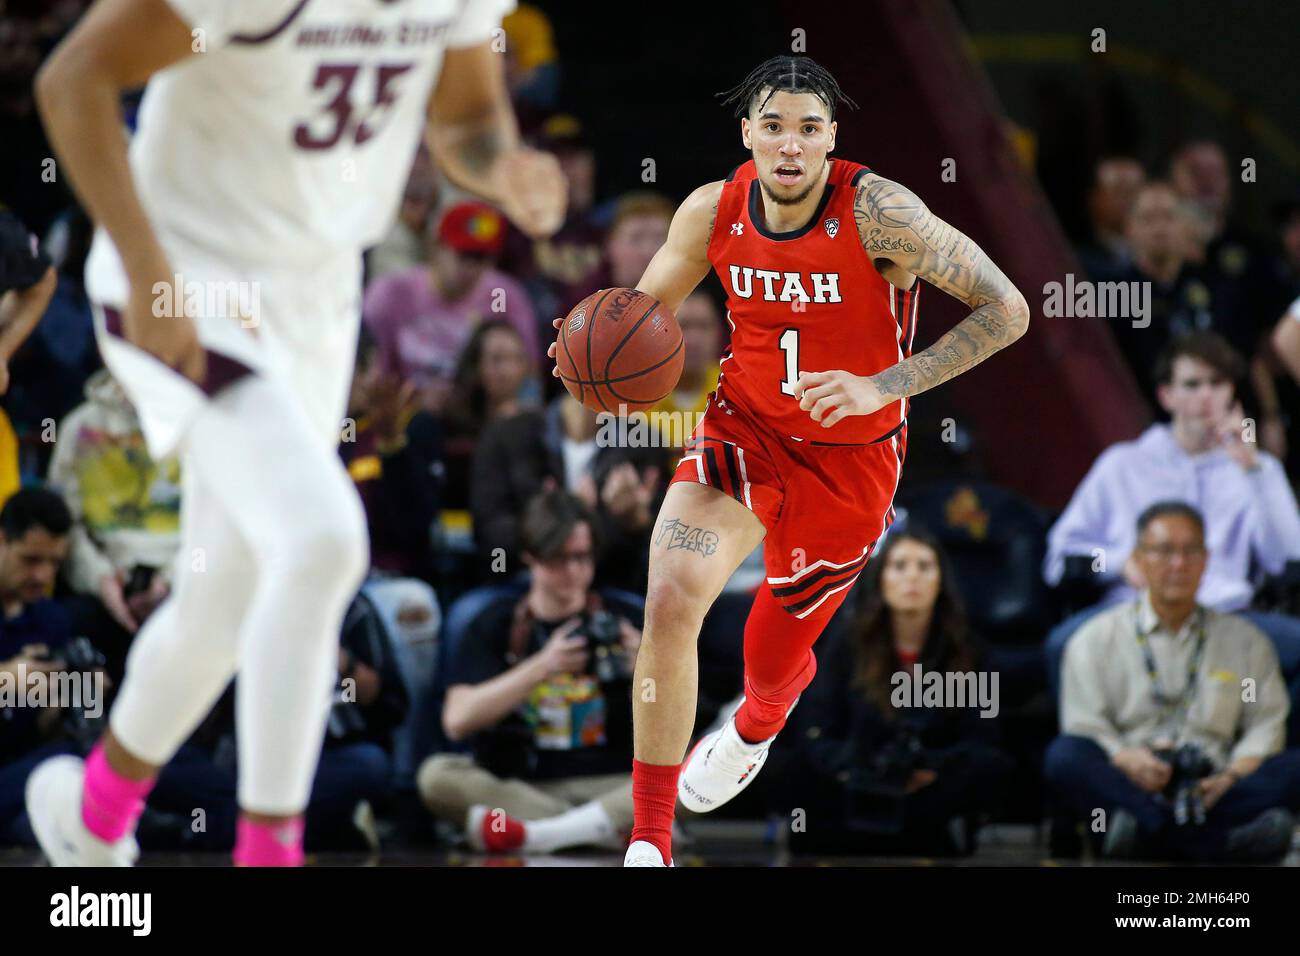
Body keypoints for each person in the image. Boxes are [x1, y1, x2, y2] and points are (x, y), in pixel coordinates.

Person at [28, 0, 565, 868]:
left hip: (315, 293)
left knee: (222, 599)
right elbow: (73, 77)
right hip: (187, 278)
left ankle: (90, 817)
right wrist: (144, 265)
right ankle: (268, 854)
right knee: (320, 543)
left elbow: (465, 119)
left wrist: (504, 170)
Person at [544, 55, 1031, 867]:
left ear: (832, 138)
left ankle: (758, 723)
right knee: (669, 602)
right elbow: (638, 320)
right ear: (748, 134)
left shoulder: (882, 213)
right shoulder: (712, 210)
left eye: (809, 128)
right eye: (774, 126)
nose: (791, 145)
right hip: (746, 434)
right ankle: (650, 841)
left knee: (771, 661)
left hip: (851, 461)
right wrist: (588, 362)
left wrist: (887, 383)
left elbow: (1009, 309)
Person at [1046, 502, 1300, 862]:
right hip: (1132, 781)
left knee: (1292, 766)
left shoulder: (1245, 640)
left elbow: (1266, 724)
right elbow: (1084, 722)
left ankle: (1149, 839)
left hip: (1216, 787)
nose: (1178, 564)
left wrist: (1229, 775)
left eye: (1190, 551)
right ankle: (1216, 845)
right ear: (1138, 558)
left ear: (1206, 560)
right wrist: (1124, 758)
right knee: (1066, 756)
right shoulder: (1094, 638)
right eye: (1164, 551)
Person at [417, 490, 650, 854]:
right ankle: (595, 829)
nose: (573, 572)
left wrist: (649, 671)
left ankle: (541, 834)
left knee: (689, 774)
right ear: (531, 558)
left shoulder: (626, 618)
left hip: (608, 780)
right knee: (436, 775)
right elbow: (457, 720)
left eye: (583, 558)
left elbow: (686, 722)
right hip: (525, 785)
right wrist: (541, 666)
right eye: (559, 559)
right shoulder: (495, 622)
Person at [771, 530, 1012, 856]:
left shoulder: (969, 650)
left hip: (930, 787)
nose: (912, 576)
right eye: (899, 566)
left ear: (941, 581)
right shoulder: (847, 643)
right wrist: (850, 766)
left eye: (925, 567)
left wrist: (931, 766)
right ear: (880, 579)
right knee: (786, 764)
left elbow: (983, 737)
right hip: (854, 779)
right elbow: (817, 725)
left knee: (991, 768)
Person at [1044, 332, 1300, 612]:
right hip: (1130, 615)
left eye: (1217, 383)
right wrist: (1117, 562)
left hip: (1223, 616)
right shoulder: (1121, 464)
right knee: (1064, 644)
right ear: (1166, 396)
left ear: (1231, 392)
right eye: (1192, 385)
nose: (1206, 396)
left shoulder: (1258, 468)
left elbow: (1287, 560)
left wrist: (1254, 471)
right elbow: (1062, 559)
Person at [46, 369, 181, 683]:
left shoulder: (201, 426)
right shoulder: (79, 428)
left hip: (184, 587)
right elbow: (66, 525)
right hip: (100, 587)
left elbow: (214, 532)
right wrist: (101, 579)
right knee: (62, 628)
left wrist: (171, 580)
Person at [364, 200, 542, 396]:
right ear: (438, 247)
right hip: (404, 409)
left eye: (482, 259)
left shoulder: (503, 296)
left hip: (475, 412)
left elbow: (530, 373)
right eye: (464, 255)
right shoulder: (393, 293)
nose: (472, 269)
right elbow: (367, 366)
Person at [0, 489, 85, 846]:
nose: (43, 575)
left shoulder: (52, 620)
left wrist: (74, 694)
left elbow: (45, 726)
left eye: (53, 563)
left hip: (24, 773)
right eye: (31, 560)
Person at [1075, 156, 1145, 282]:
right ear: (1095, 198)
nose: (1130, 200)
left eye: (1135, 191)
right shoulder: (1077, 259)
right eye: (1120, 191)